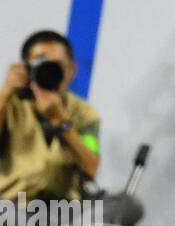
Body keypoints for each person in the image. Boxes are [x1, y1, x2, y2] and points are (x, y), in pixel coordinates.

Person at [0, 32, 102, 214]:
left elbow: (91, 167)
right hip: (9, 208)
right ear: (26, 68)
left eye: (57, 66)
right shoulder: (9, 104)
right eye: (41, 64)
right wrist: (6, 92)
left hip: (61, 213)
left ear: (71, 70)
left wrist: (61, 122)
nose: (49, 71)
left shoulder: (84, 113)